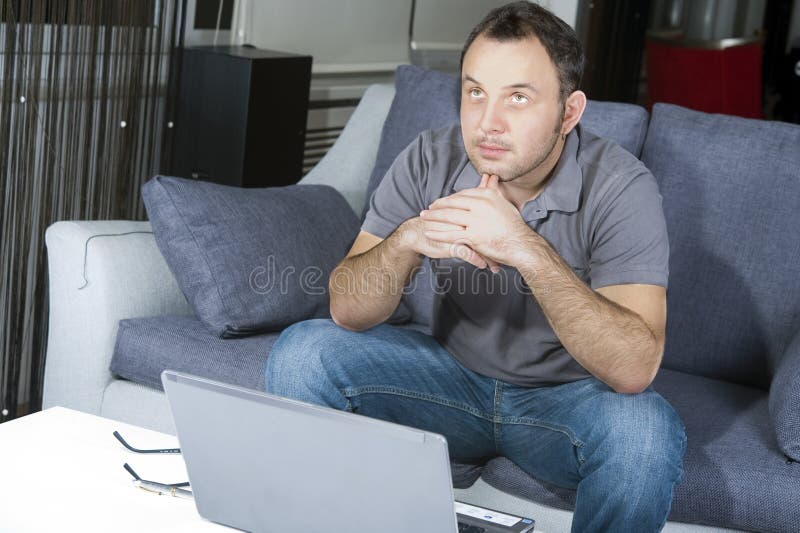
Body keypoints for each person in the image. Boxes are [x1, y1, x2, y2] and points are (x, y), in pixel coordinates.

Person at [265, 2, 686, 531]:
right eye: (475, 92)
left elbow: (634, 368)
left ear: (569, 112)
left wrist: (524, 246)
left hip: (564, 402)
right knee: (304, 353)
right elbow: (347, 311)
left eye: (518, 97)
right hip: (448, 379)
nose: (488, 123)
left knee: (645, 434)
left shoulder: (622, 187)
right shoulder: (429, 157)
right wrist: (409, 239)